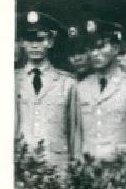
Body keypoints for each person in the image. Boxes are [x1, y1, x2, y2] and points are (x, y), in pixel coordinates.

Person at [74, 19, 126, 179]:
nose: (95, 54)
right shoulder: (81, 87)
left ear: (115, 48)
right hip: (89, 173)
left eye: (100, 47)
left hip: (120, 173)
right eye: (91, 48)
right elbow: (78, 135)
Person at [15, 11, 80, 174]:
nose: (35, 45)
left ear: (50, 42)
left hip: (57, 167)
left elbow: (75, 133)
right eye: (29, 40)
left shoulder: (68, 83)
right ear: (22, 42)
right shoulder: (12, 81)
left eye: (40, 39)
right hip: (23, 166)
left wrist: (76, 168)